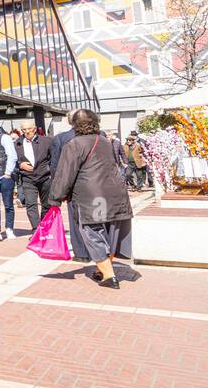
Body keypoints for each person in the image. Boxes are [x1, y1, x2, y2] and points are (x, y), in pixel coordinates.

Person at [47, 109, 134, 290]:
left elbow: (65, 174)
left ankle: (109, 276)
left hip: (92, 197)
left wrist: (54, 198)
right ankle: (103, 269)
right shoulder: (105, 141)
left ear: (74, 124)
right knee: (111, 233)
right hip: (116, 193)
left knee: (93, 233)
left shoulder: (74, 144)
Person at [49, 110, 89, 262]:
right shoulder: (100, 136)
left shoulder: (61, 138)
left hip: (72, 186)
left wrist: (57, 191)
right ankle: (98, 251)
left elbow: (55, 167)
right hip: (95, 185)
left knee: (76, 220)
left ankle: (81, 253)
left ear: (69, 121)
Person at [14, 119, 52, 232]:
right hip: (28, 178)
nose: (27, 132)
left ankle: (44, 228)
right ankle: (36, 229)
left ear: (34, 129)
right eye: (24, 130)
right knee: (31, 204)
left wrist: (48, 169)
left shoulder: (47, 141)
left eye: (29, 129)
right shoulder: (17, 143)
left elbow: (54, 157)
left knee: (46, 205)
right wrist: (20, 165)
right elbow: (11, 160)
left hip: (45, 177)